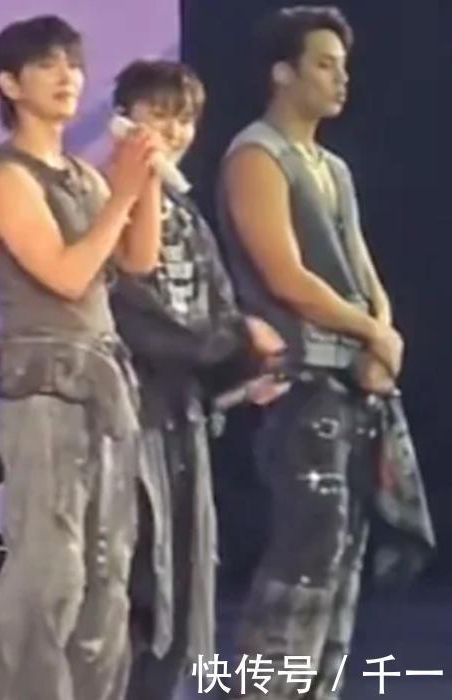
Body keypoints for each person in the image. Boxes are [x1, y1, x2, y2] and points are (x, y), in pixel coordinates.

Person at [216, 7, 435, 698]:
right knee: (303, 562)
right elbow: (286, 277)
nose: (340, 79)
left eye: (343, 66)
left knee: (341, 562)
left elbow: (362, 271)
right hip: (302, 384)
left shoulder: (332, 167)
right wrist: (370, 332)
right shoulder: (257, 156)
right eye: (323, 64)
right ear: (283, 72)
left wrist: (381, 335)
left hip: (353, 384)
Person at [0, 15, 163, 700]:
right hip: (44, 388)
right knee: (49, 572)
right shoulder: (5, 178)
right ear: (9, 84)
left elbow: (138, 260)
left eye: (74, 64)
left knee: (109, 570)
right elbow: (68, 274)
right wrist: (125, 192)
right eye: (48, 65)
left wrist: (144, 183)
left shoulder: (80, 173)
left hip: (102, 383)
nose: (68, 77)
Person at [105, 58, 287, 700]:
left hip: (183, 417)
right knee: (138, 585)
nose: (174, 132)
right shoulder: (106, 200)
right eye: (158, 115)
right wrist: (234, 343)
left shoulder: (185, 212)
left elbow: (217, 302)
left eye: (183, 119)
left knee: (184, 584)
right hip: (129, 420)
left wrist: (249, 358)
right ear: (124, 119)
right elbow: (139, 316)